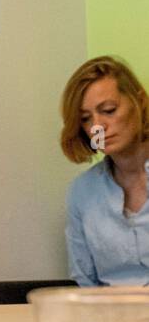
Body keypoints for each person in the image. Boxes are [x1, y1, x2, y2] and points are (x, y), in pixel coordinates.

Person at [60, 56, 149, 286]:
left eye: (108, 110)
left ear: (139, 102)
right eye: (86, 119)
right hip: (111, 317)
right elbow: (85, 281)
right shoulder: (83, 192)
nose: (98, 126)